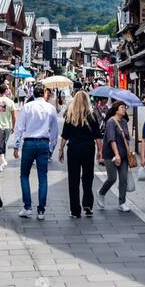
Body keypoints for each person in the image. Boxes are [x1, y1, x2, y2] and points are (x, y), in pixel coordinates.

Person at [11, 82, 58, 220]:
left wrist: (16, 146)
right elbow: (54, 130)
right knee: (42, 177)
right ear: (44, 93)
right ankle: (41, 210)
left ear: (33, 93)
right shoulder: (51, 108)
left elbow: (19, 128)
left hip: (29, 143)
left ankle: (27, 207)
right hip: (44, 143)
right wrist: (52, 147)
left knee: (24, 175)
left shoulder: (27, 107)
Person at [57, 91, 101, 219]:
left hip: (74, 149)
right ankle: (87, 204)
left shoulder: (70, 115)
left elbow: (65, 135)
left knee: (73, 179)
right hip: (88, 148)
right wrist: (100, 151)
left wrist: (60, 149)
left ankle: (75, 210)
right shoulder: (91, 115)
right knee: (88, 177)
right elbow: (97, 135)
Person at [96, 102, 132, 213]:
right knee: (112, 178)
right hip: (111, 155)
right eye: (122, 107)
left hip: (124, 154)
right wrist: (116, 155)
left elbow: (127, 137)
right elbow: (112, 139)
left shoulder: (125, 122)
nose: (124, 109)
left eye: (124, 107)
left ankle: (122, 202)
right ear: (116, 110)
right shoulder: (111, 122)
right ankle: (101, 193)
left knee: (124, 179)